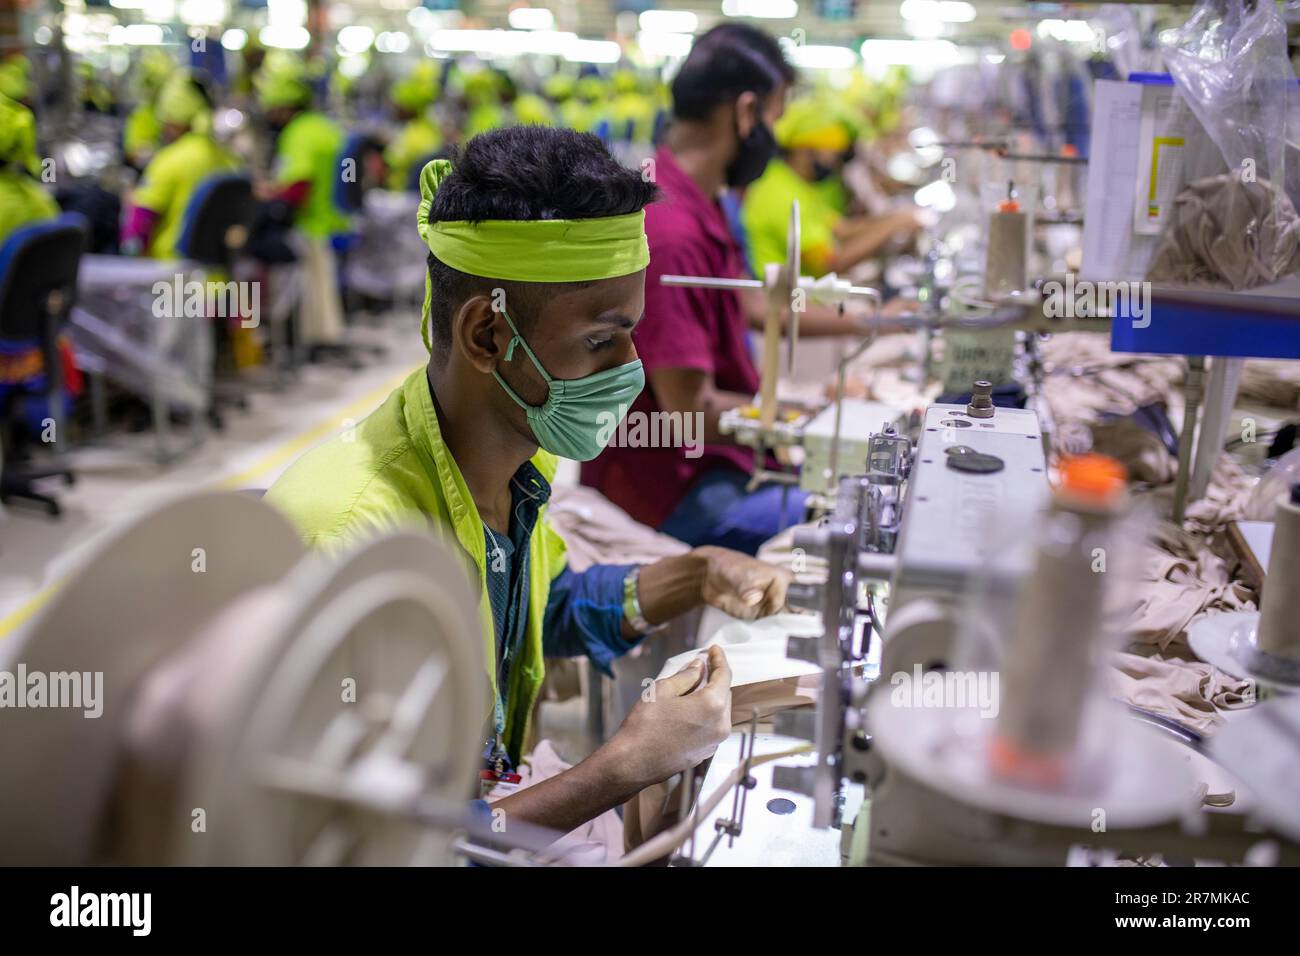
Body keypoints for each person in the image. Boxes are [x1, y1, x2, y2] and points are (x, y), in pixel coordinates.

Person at [266, 126, 791, 835]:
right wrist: (621, 766)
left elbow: (534, 613)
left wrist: (694, 576)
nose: (630, 371)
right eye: (602, 341)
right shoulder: (353, 539)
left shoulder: (518, 456)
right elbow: (373, 843)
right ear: (488, 336)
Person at [581, 24, 863, 555]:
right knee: (852, 526)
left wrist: (865, 323)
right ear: (746, 113)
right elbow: (692, 409)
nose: (774, 140)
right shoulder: (672, 234)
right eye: (775, 120)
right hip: (674, 495)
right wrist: (811, 422)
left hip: (711, 468)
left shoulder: (700, 201)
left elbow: (751, 304)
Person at [742, 96, 919, 279]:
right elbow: (829, 263)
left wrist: (898, 218)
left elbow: (841, 229)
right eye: (831, 152)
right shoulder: (781, 195)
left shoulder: (794, 182)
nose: (835, 160)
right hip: (797, 304)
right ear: (805, 150)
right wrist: (895, 224)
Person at [256, 60, 350, 351]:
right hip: (340, 219)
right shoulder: (326, 127)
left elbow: (298, 188)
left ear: (282, 107)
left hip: (313, 226)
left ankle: (274, 336)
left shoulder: (296, 134)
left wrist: (265, 193)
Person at [120, 71, 240, 260]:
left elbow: (137, 232)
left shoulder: (169, 160)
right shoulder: (229, 159)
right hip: (216, 279)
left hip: (168, 278)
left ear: (173, 120)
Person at [384, 62, 443, 192]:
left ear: (409, 107)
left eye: (399, 104)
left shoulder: (412, 136)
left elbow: (391, 164)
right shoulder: (430, 129)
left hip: (402, 196)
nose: (395, 109)